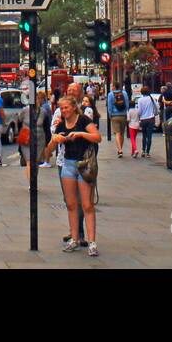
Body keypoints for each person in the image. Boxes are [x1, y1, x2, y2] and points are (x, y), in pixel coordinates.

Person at [46, 96, 101, 256]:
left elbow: (98, 137)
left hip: (84, 165)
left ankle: (92, 242)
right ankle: (74, 239)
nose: (63, 111)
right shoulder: (61, 125)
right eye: (61, 108)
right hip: (68, 165)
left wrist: (81, 134)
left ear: (73, 107)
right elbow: (47, 153)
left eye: (66, 108)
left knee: (87, 205)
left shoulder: (83, 120)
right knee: (71, 205)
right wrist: (54, 141)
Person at [106, 83, 128, 156]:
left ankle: (119, 150)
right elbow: (127, 104)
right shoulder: (124, 93)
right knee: (122, 133)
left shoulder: (110, 94)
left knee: (117, 133)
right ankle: (120, 149)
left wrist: (110, 114)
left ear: (114, 87)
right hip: (123, 115)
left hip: (114, 116)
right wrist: (126, 112)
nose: (111, 87)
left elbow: (109, 106)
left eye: (112, 86)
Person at [136, 84, 158, 157]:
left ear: (141, 92)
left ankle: (143, 150)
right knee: (149, 135)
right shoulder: (151, 98)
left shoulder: (140, 100)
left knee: (144, 135)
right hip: (151, 118)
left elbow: (139, 111)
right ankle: (148, 152)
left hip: (143, 119)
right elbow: (157, 107)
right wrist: (155, 113)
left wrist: (139, 116)